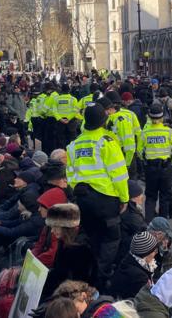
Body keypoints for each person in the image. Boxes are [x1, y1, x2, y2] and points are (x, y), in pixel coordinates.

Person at [66, 103, 130, 292]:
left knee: (92, 238)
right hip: (105, 200)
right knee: (110, 239)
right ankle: (100, 284)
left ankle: (87, 280)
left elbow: (70, 175)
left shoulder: (75, 144)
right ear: (104, 120)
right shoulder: (106, 141)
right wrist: (124, 198)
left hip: (83, 200)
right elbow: (119, 174)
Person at [138, 103, 172, 221]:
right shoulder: (169, 132)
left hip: (150, 168)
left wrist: (145, 160)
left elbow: (139, 151)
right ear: (162, 117)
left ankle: (148, 223)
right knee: (164, 196)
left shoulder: (145, 133)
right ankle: (162, 225)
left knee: (151, 196)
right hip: (165, 167)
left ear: (150, 117)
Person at [110, 231, 160, 299]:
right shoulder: (139, 276)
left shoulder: (131, 261)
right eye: (154, 250)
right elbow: (147, 300)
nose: (157, 252)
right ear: (145, 254)